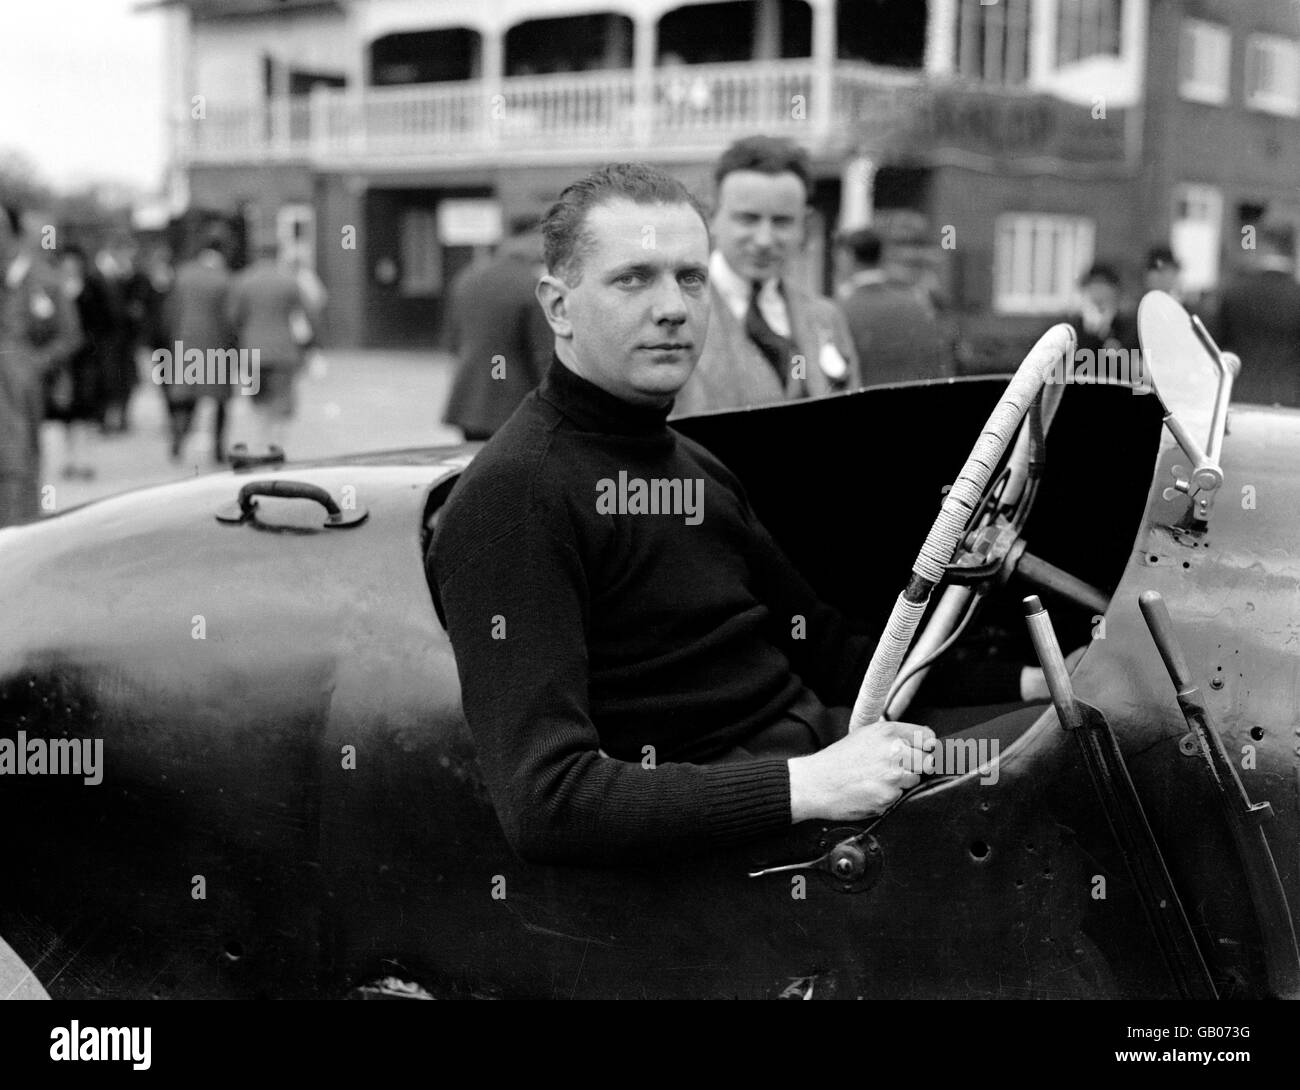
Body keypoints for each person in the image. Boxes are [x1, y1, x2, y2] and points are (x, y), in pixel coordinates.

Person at [427, 163, 1051, 867]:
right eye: (633, 278)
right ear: (558, 306)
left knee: (1080, 726)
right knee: (1079, 770)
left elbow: (839, 658)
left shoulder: (693, 464)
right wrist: (808, 785)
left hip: (830, 750)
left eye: (690, 278)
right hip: (759, 843)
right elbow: (548, 803)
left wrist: (1036, 679)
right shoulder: (514, 497)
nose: (673, 307)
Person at [670, 136, 860, 416]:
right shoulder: (676, 311)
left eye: (782, 221)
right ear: (711, 217)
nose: (764, 240)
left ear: (804, 226)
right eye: (748, 219)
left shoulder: (825, 317)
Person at [0, 203, 81, 527]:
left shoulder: (45, 279)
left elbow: (70, 335)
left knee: (18, 467)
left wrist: (34, 364)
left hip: (19, 393)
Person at [441, 217, 552, 441]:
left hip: (468, 400)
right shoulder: (529, 285)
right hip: (513, 403)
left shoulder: (468, 276)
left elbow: (452, 340)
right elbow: (543, 353)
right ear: (532, 242)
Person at [835, 226, 952, 385]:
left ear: (847, 256)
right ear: (881, 255)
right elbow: (938, 358)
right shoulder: (917, 303)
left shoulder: (841, 311)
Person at [227, 241, 309, 451]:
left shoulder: (243, 280)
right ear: (278, 255)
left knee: (258, 401)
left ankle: (260, 444)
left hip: (252, 351)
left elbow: (233, 317)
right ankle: (276, 445)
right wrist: (314, 345)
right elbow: (308, 314)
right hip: (283, 350)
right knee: (281, 402)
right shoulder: (289, 281)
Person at [165, 230, 236, 463]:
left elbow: (172, 311)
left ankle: (178, 439)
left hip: (187, 344)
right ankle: (217, 449)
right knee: (220, 401)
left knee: (187, 397)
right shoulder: (225, 278)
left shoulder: (184, 274)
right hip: (217, 346)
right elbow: (230, 318)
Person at [1214, 221, 1300, 408]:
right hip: (1291, 399)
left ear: (1263, 245)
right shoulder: (1296, 295)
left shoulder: (1235, 292)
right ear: (1292, 249)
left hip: (1240, 396)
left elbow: (1217, 346)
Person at [49, 246, 114, 479]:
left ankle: (85, 460)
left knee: (86, 413)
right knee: (67, 413)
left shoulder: (92, 288)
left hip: (87, 359)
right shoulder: (54, 288)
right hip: (65, 361)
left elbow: (106, 320)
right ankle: (69, 459)